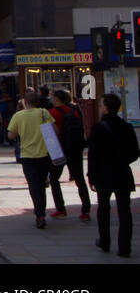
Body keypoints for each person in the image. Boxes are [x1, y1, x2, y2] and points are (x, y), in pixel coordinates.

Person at [87, 93, 139, 257]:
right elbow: (135, 153)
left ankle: (105, 241)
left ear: (106, 107)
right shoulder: (127, 127)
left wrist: (91, 176)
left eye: (101, 105)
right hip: (122, 173)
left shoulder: (98, 128)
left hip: (103, 174)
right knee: (125, 211)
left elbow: (93, 155)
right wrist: (122, 161)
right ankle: (124, 248)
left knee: (103, 208)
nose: (100, 107)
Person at [7, 89, 57, 228]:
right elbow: (55, 130)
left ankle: (39, 213)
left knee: (33, 185)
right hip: (43, 154)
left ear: (25, 102)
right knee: (41, 185)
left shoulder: (18, 116)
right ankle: (41, 212)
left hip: (27, 156)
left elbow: (10, 135)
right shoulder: (43, 113)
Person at [49, 89, 90, 222]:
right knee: (80, 179)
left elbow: (51, 132)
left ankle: (60, 209)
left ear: (57, 99)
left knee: (54, 179)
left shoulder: (53, 112)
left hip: (61, 149)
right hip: (76, 148)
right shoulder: (76, 109)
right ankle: (86, 211)